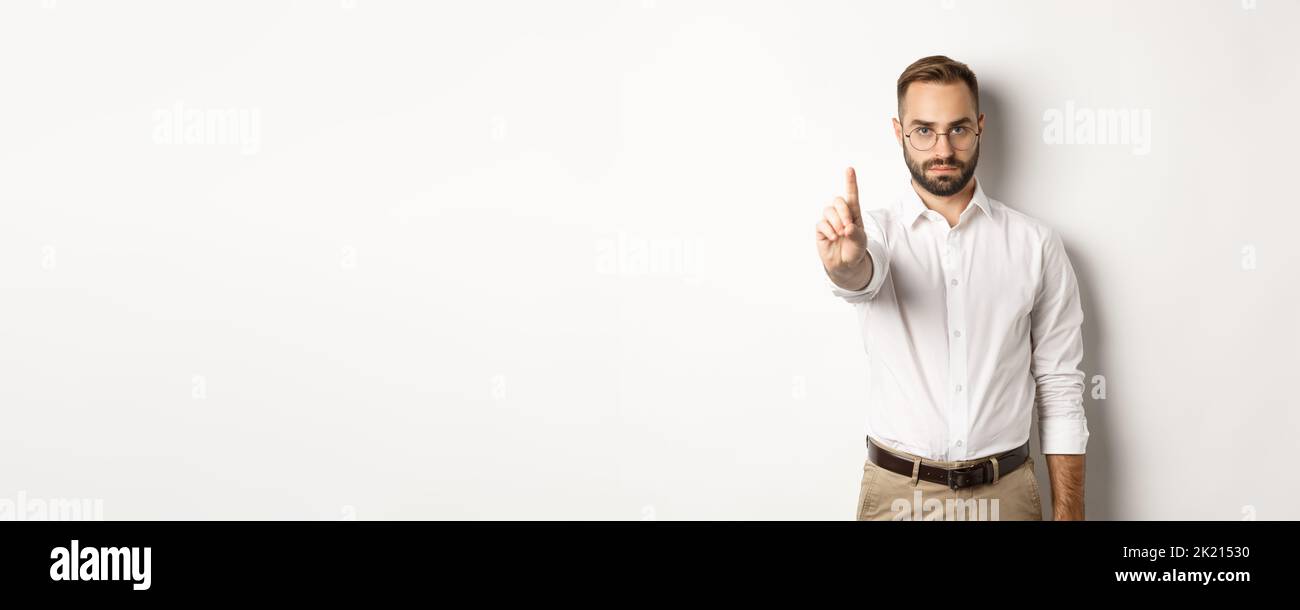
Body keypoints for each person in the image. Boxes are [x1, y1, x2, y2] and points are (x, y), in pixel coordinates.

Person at [816, 55, 1088, 521]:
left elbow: (1060, 385)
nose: (942, 148)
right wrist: (845, 265)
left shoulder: (1035, 244)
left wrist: (1070, 512)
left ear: (979, 127)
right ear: (899, 132)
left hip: (1006, 494)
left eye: (957, 129)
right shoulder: (876, 235)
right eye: (923, 130)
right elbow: (860, 278)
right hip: (898, 494)